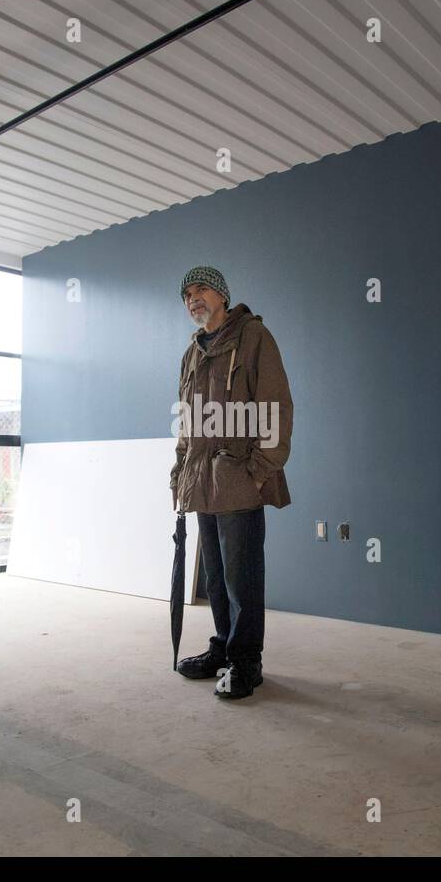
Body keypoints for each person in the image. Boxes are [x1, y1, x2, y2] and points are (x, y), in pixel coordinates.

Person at [169, 266, 293, 699]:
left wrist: (258, 470)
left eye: (200, 288)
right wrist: (179, 472)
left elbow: (275, 406)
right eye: (186, 294)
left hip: (238, 479)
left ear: (221, 294)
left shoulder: (254, 337)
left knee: (243, 579)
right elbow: (186, 422)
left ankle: (246, 662)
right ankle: (223, 648)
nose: (192, 298)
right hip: (203, 482)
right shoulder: (191, 355)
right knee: (217, 579)